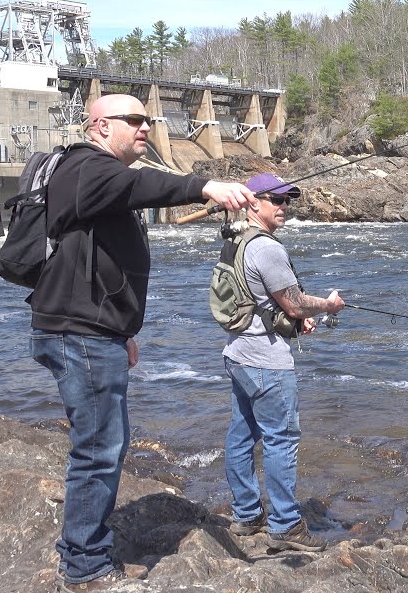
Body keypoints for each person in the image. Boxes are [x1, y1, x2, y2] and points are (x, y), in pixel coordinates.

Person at [30, 93, 258, 592]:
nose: (145, 127)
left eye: (149, 119)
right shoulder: (85, 166)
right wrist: (207, 187)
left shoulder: (97, 177)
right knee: (99, 448)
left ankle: (82, 550)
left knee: (103, 442)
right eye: (134, 120)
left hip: (94, 331)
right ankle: (84, 565)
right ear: (99, 125)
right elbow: (144, 184)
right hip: (81, 334)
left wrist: (123, 330)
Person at [222, 173, 344, 552]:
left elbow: (258, 298)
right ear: (253, 202)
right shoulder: (268, 249)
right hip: (266, 363)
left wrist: (293, 320)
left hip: (238, 354)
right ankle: (286, 525)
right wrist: (327, 305)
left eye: (286, 199)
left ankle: (246, 515)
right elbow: (292, 301)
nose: (283, 206)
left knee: (242, 436)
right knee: (281, 440)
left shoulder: (236, 241)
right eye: (275, 199)